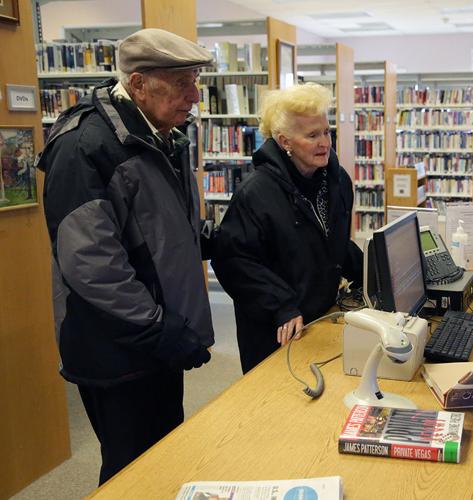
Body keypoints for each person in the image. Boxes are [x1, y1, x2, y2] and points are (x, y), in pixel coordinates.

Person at [37, 28, 215, 484]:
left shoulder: (162, 134)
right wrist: (158, 327)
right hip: (118, 347)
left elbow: (158, 227)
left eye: (195, 81)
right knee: (130, 471)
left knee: (163, 455)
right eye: (182, 84)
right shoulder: (84, 146)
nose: (194, 95)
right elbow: (91, 265)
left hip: (157, 339)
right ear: (137, 84)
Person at [212, 82, 362, 373]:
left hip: (321, 316)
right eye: (312, 135)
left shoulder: (338, 180)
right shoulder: (256, 192)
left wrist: (373, 274)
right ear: (285, 142)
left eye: (326, 132)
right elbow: (233, 261)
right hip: (276, 326)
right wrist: (281, 304)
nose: (324, 143)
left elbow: (335, 242)